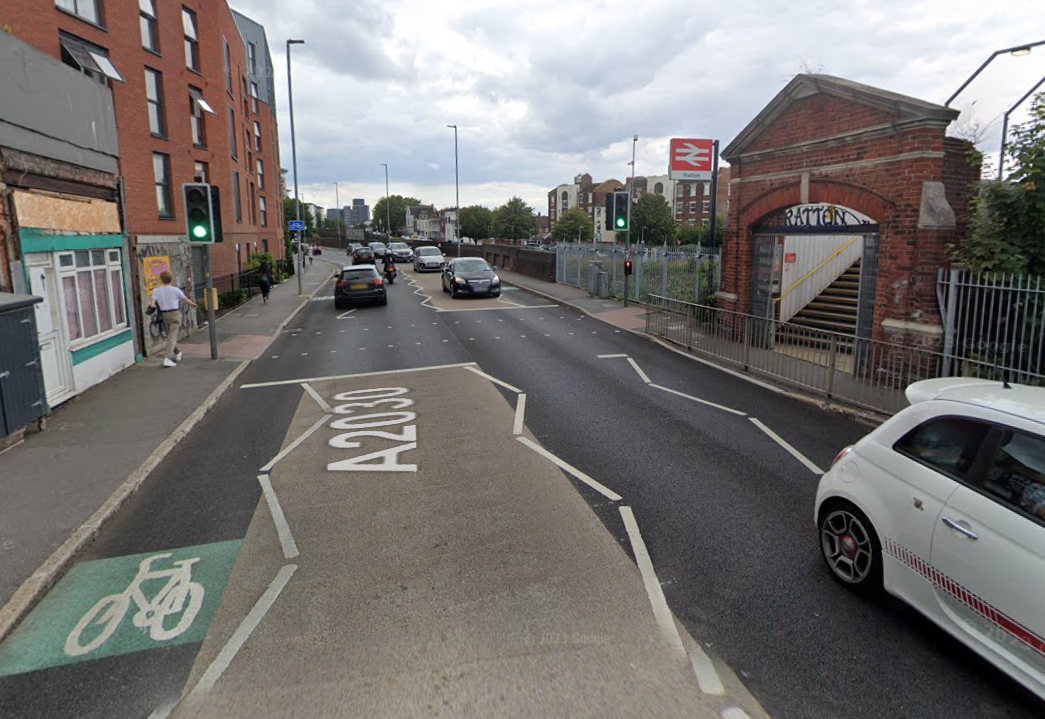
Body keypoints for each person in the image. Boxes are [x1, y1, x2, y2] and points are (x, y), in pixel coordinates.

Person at [150, 270, 198, 368]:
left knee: (170, 336)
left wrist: (154, 306)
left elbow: (152, 304)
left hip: (164, 315)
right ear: (171, 279)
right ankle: (169, 358)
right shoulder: (176, 290)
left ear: (161, 279)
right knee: (171, 337)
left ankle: (173, 354)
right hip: (175, 314)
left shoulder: (156, 290)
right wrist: (193, 304)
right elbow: (185, 299)